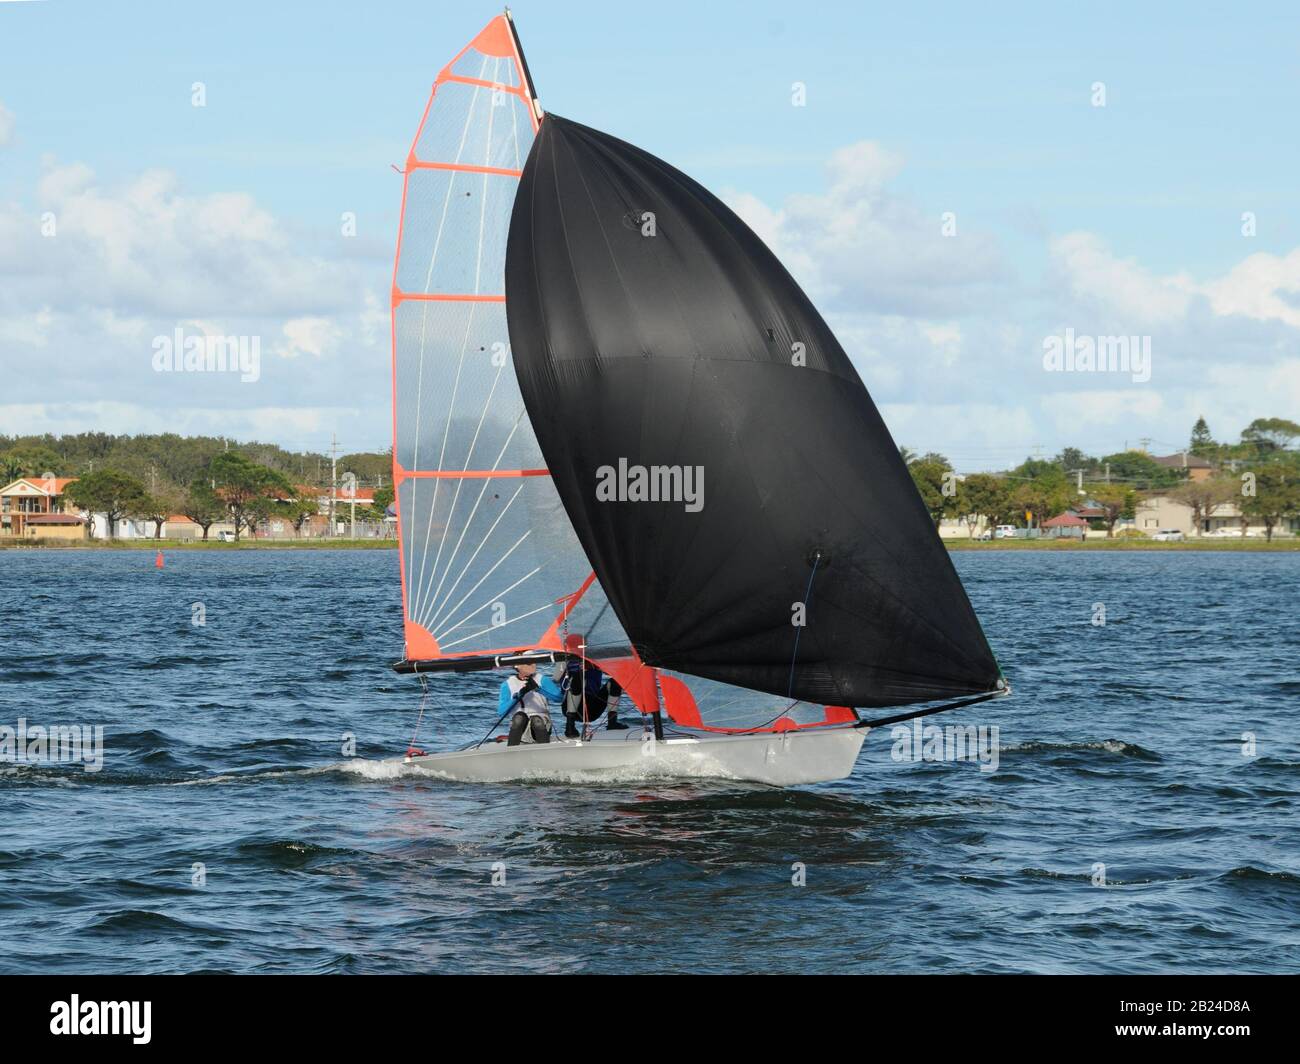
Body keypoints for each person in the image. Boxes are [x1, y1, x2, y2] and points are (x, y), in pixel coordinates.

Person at [556, 637, 628, 737]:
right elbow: (556, 677)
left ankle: (612, 722)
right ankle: (570, 726)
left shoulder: (594, 659)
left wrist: (597, 664)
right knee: (578, 677)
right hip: (571, 707)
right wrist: (564, 661)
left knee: (615, 681)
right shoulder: (567, 658)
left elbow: (613, 671)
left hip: (592, 709)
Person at [499, 662, 562, 747]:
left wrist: (538, 689)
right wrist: (518, 696)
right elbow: (501, 712)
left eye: (534, 662)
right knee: (519, 718)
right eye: (528, 663)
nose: (533, 665)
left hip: (541, 723)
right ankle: (511, 752)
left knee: (536, 721)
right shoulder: (507, 684)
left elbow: (559, 698)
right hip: (520, 726)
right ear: (517, 666)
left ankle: (545, 751)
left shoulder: (543, 680)